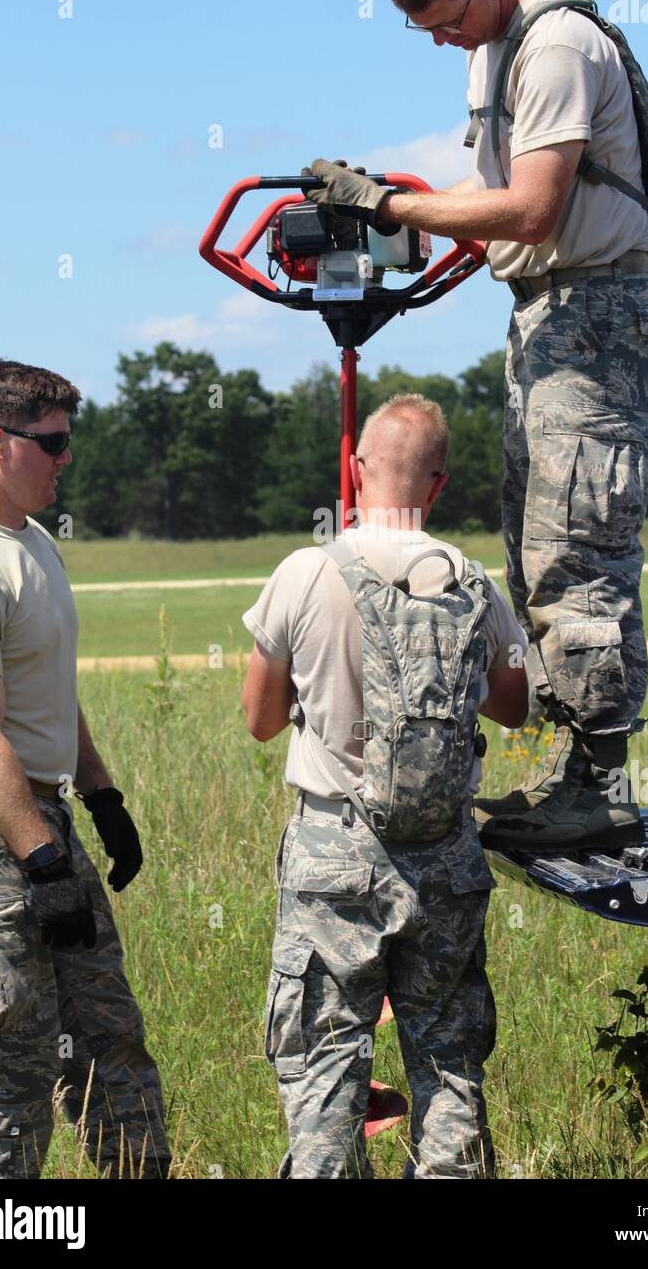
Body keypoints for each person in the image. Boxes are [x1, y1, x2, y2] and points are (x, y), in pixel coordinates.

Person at [302, 0, 648, 853]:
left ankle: (601, 787)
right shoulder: (491, 51)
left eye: (445, 19)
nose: (440, 40)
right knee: (535, 547)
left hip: (597, 314)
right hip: (546, 315)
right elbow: (498, 220)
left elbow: (533, 205)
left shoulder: (556, 46)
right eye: (421, 28)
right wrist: (399, 223)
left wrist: (388, 203)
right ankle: (571, 772)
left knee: (580, 550)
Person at [242, 394, 528, 1179]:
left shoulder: (307, 571)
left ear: (356, 469)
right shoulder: (473, 581)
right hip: (445, 861)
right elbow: (513, 706)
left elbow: (260, 720)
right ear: (438, 483)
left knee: (325, 1066)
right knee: (449, 1060)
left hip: (334, 856)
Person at [0, 359, 170, 1179]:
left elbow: (50, 694)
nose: (67, 457)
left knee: (113, 1047)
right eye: (54, 442)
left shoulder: (33, 544)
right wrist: (41, 864)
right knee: (7, 1078)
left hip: (44, 821)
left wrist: (102, 797)